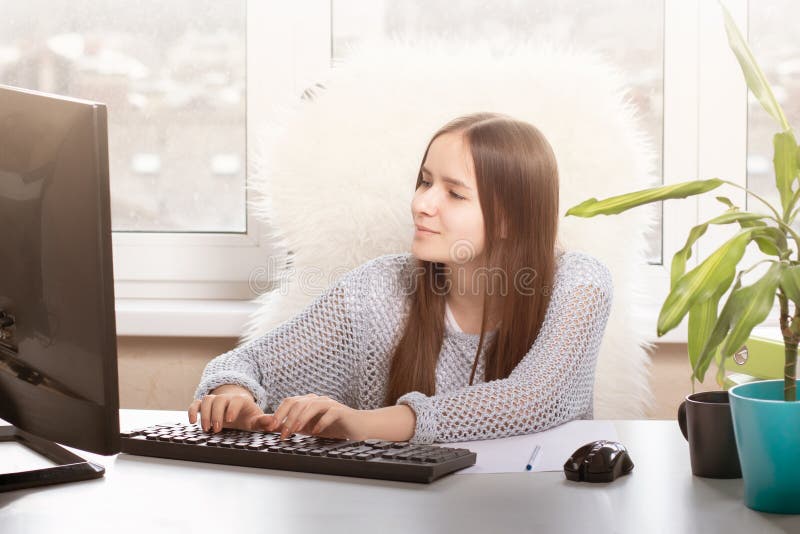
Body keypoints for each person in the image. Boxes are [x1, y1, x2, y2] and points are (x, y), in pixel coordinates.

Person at [188, 112, 613, 445]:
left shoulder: (580, 284)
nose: (421, 204)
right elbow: (245, 364)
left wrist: (361, 424)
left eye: (454, 193)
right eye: (425, 181)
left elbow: (535, 399)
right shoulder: (378, 289)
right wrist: (234, 396)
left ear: (509, 218)